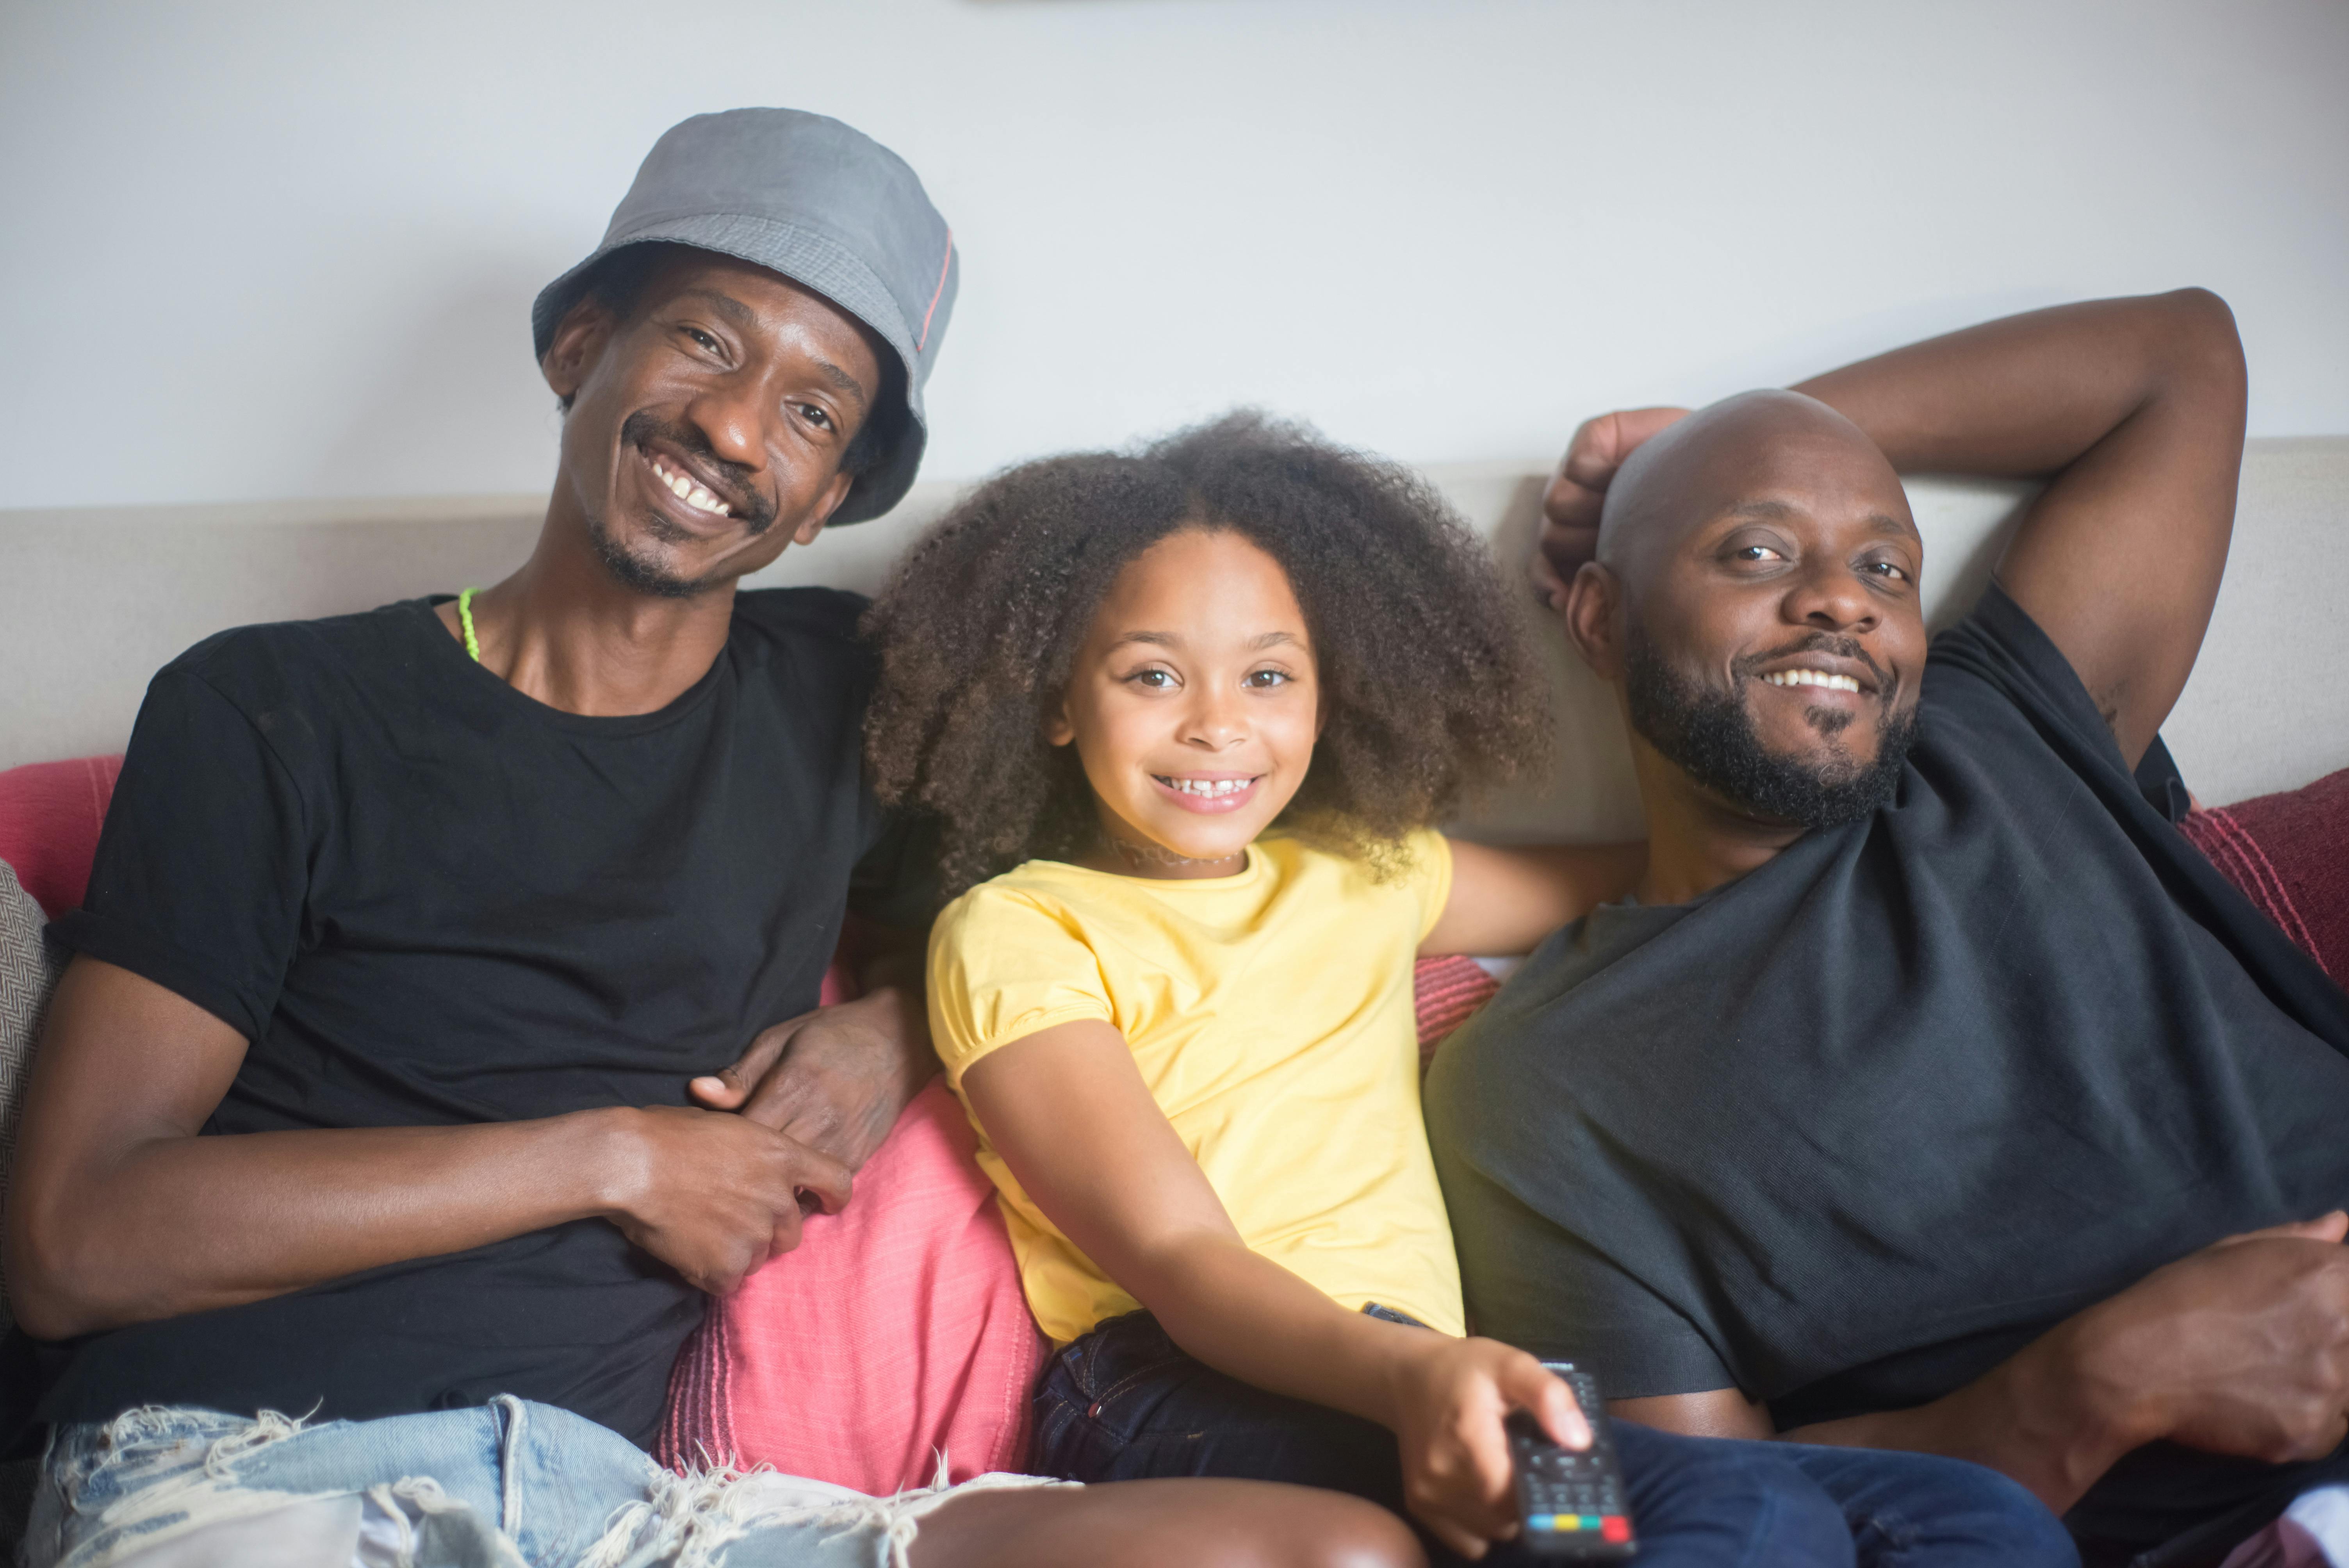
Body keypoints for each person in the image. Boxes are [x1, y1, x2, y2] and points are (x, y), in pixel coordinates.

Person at [0, 109, 1422, 1568]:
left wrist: (891, 1028)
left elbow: (1058, 905)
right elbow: (72, 1239)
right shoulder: (276, 708)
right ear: (581, 349)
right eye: (704, 342)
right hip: (240, 1475)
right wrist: (615, 1160)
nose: (739, 428)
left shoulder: (851, 701)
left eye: (815, 414)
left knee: (1330, 1553)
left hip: (616, 1516)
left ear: (828, 506)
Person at [866, 414, 2077, 1564]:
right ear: (1055, 703)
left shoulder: (1365, 873)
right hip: (1178, 1389)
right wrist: (1410, 1377)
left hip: (1433, 1377)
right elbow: (1180, 1259)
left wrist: (1875, 829)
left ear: (1335, 688)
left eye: (1270, 678)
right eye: (1151, 676)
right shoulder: (1021, 928)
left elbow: (1669, 878)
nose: (1217, 728)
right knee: (1734, 1515)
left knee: (1969, 1523)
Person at [1422, 290, 2349, 1567]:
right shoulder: (1536, 1087)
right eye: (1753, 554)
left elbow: (2179, 355)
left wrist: (1747, 443)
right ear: (1600, 618)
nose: (1843, 603)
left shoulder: (2008, 730)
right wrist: (2088, 1388)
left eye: (1885, 567)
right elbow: (1703, 1513)